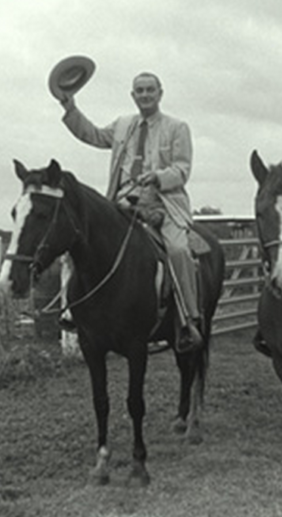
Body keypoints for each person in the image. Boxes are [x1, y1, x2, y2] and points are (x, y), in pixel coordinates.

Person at [58, 71, 203, 352]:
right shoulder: (123, 125)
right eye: (140, 90)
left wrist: (159, 177)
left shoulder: (177, 127)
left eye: (150, 90)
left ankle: (188, 319)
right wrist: (70, 108)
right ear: (132, 95)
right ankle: (73, 310)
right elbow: (94, 135)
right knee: (85, 243)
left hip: (162, 202)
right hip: (121, 202)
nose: (145, 95)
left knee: (178, 250)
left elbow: (182, 169)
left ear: (160, 93)